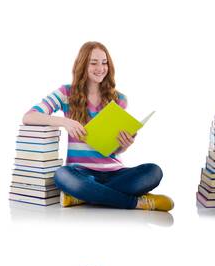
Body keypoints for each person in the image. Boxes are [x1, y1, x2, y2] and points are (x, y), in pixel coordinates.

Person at [23, 41, 172, 211]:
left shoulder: (119, 99)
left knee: (153, 171)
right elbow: (29, 116)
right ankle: (136, 202)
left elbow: (113, 150)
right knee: (62, 175)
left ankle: (81, 196)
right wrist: (65, 122)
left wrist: (123, 145)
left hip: (115, 173)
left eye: (104, 62)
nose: (100, 68)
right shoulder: (66, 93)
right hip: (80, 172)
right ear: (83, 65)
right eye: (93, 63)